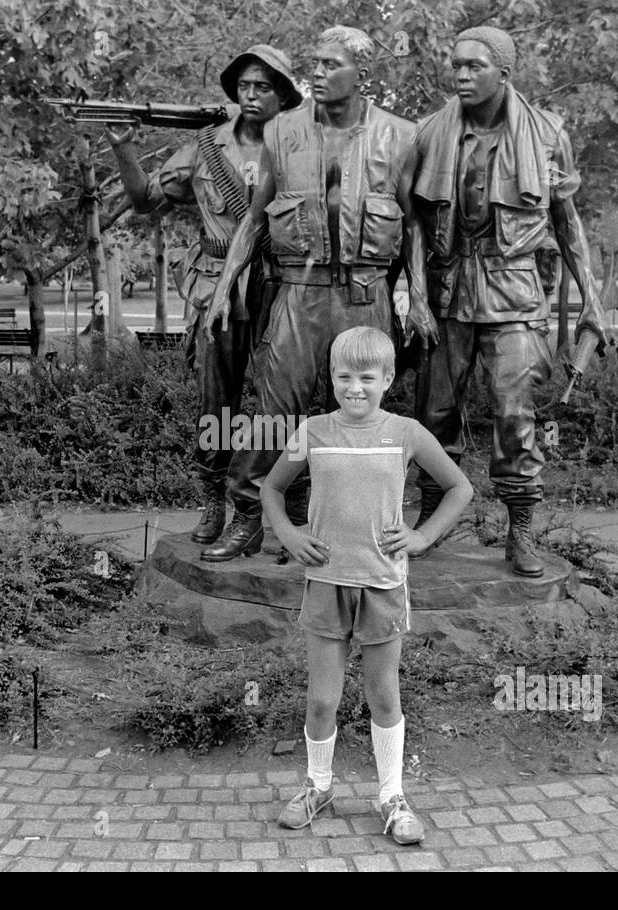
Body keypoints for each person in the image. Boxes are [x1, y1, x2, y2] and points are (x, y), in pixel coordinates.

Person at [202, 25, 437, 563]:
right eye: (316, 62)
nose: (317, 72)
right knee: (272, 412)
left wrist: (418, 297)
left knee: (360, 415)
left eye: (331, 64)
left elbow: (416, 226)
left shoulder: (399, 135)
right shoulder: (281, 132)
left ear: (363, 74)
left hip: (365, 293)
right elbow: (254, 219)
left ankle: (352, 528)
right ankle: (248, 519)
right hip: (299, 294)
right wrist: (222, 288)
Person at [408, 25, 609, 574]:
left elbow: (567, 222)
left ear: (504, 72)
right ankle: (430, 524)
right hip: (448, 291)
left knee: (515, 414)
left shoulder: (546, 135)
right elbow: (416, 226)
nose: (461, 75)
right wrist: (418, 298)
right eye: (456, 66)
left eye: (474, 66)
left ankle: (521, 529)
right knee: (433, 415)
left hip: (515, 292)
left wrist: (590, 296)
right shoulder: (430, 133)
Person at [262, 326, 474, 845]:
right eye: (343, 376)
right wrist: (289, 535)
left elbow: (458, 487)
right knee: (321, 701)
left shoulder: (406, 432)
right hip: (325, 583)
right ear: (331, 378)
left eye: (366, 377)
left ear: (387, 379)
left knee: (383, 697)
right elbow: (270, 488)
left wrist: (423, 536)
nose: (354, 387)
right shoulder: (311, 431)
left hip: (381, 584)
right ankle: (318, 786)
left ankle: (391, 796)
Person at [106, 45, 302, 547]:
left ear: (284, 96)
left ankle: (267, 505)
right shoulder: (206, 147)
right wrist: (124, 150)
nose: (252, 95)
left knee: (278, 400)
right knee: (217, 402)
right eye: (244, 87)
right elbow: (146, 200)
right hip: (216, 285)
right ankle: (213, 497)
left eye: (264, 87)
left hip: (283, 285)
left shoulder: (298, 147)